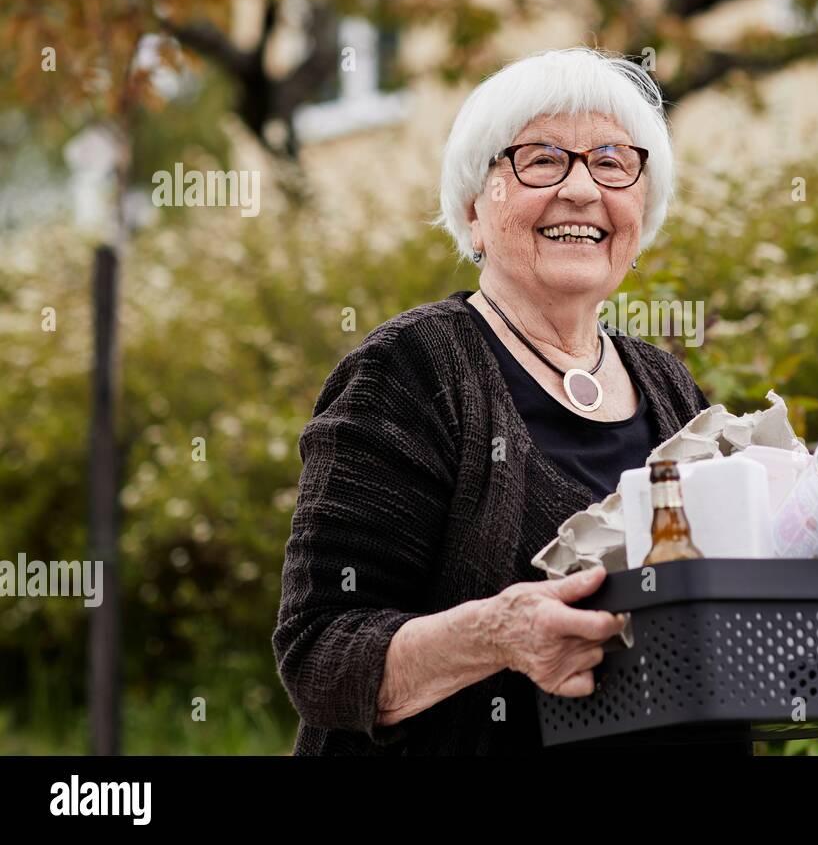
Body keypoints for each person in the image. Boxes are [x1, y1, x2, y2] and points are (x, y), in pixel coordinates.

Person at [272, 47, 751, 755]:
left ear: (641, 211)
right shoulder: (409, 372)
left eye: (614, 162)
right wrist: (498, 634)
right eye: (541, 159)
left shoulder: (669, 387)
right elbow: (320, 656)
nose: (583, 190)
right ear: (474, 210)